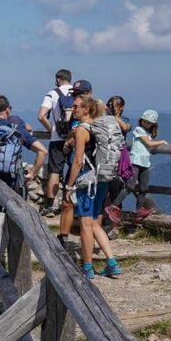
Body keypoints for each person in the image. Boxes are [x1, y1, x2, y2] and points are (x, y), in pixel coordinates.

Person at [66, 95, 124, 279]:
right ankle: (112, 263)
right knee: (94, 222)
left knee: (85, 225)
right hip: (102, 179)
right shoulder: (99, 126)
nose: (72, 109)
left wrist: (69, 186)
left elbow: (77, 160)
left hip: (87, 181)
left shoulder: (82, 130)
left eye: (76, 107)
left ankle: (88, 267)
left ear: (86, 110)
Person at [0, 95, 48, 229]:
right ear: (7, 110)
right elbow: (43, 151)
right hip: (14, 181)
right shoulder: (16, 128)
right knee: (15, 215)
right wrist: (32, 173)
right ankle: (14, 247)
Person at [55, 79, 94, 250]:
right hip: (82, 163)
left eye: (79, 94)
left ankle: (85, 244)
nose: (75, 98)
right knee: (69, 202)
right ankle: (64, 237)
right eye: (74, 94)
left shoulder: (92, 115)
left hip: (84, 165)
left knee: (69, 199)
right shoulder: (77, 114)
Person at [111, 109, 168, 222]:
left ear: (153, 124)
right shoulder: (139, 129)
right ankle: (114, 206)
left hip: (145, 163)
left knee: (143, 188)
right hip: (136, 162)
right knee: (130, 186)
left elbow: (147, 145)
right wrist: (161, 142)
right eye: (145, 121)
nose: (147, 124)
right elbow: (148, 143)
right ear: (141, 120)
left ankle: (138, 210)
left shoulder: (147, 133)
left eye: (149, 122)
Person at [37, 69, 76, 216]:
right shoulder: (78, 93)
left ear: (58, 79)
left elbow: (41, 116)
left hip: (57, 138)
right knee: (75, 168)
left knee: (54, 170)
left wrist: (52, 129)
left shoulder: (52, 93)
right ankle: (71, 202)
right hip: (76, 138)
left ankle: (49, 205)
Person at [100, 96, 134, 238]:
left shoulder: (124, 119)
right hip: (103, 157)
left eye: (115, 105)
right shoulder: (104, 118)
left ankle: (115, 227)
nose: (112, 107)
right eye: (110, 105)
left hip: (118, 160)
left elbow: (126, 128)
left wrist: (113, 116)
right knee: (101, 192)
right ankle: (100, 224)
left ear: (122, 107)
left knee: (115, 193)